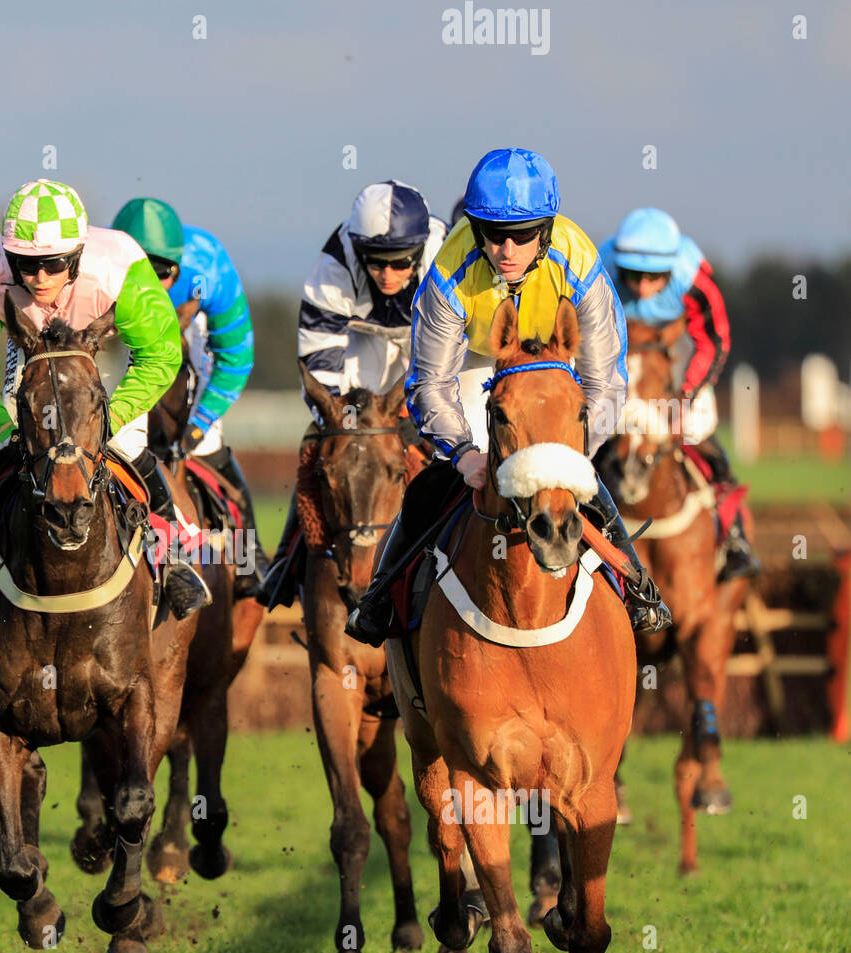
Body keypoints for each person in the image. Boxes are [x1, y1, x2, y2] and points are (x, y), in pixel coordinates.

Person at [345, 147, 673, 644]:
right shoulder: (448, 276)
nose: (507, 249)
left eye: (523, 234)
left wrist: (571, 455)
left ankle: (638, 588)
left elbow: (606, 382)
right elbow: (429, 383)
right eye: (494, 234)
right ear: (476, 229)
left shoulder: (582, 267)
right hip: (478, 362)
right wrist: (462, 455)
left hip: (554, 366)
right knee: (431, 484)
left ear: (547, 229)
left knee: (580, 479)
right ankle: (378, 599)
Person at [0, 179, 207, 618]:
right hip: (31, 350)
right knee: (11, 449)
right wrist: (5, 427)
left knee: (128, 445)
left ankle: (174, 557)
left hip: (104, 348)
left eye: (53, 264)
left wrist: (112, 416)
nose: (39, 278)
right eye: (25, 264)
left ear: (77, 257)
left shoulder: (121, 270)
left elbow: (160, 354)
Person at [257, 179, 447, 607]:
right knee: (335, 447)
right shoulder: (335, 267)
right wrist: (349, 425)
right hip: (362, 346)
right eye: (376, 263)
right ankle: (287, 562)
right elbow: (320, 365)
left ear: (417, 252)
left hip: (432, 343)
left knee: (448, 437)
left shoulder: (445, 259)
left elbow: (450, 356)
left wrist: (415, 422)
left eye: (399, 264)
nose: (386, 274)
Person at [110, 197, 267, 597]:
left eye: (160, 273)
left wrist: (198, 426)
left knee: (207, 442)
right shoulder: (96, 272)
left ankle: (249, 554)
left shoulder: (210, 269)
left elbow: (235, 357)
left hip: (189, 330)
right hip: (116, 325)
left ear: (178, 268)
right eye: (139, 272)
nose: (149, 283)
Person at [599, 207, 760, 579]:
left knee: (698, 427)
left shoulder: (693, 279)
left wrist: (685, 395)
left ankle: (735, 537)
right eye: (634, 275)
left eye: (654, 277)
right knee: (595, 430)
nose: (641, 287)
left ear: (671, 269)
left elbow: (714, 340)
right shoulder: (598, 270)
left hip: (679, 348)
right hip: (619, 355)